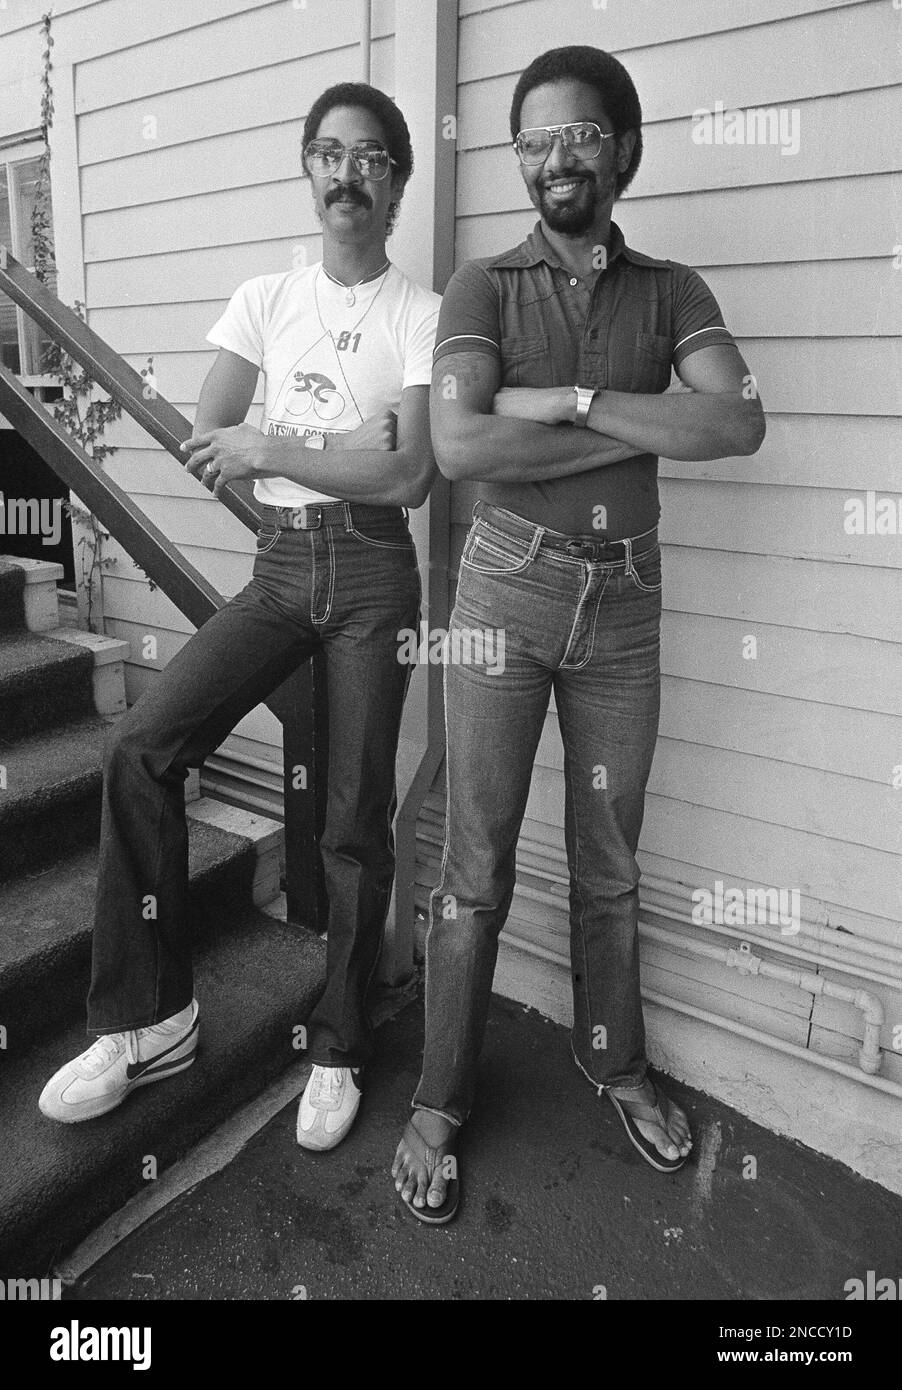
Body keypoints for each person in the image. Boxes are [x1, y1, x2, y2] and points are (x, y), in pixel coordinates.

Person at [392, 45, 765, 1223]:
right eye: (534, 141)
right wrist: (649, 424)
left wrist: (571, 402)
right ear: (517, 160)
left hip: (625, 600)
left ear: (623, 149)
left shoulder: (671, 290)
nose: (556, 158)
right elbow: (458, 450)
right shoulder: (479, 287)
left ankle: (611, 1060)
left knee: (608, 861)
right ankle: (439, 1097)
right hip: (503, 590)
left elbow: (738, 423)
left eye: (581, 135)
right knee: (474, 860)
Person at [40, 83, 440, 1155]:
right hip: (278, 566)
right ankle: (149, 1017)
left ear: (395, 179)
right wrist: (327, 440)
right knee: (142, 745)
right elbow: (211, 430)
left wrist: (282, 446)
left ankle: (342, 1041)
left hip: (369, 572)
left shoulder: (422, 314)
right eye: (325, 153)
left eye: (366, 156)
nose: (343, 172)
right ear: (307, 172)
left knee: (352, 816)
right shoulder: (266, 295)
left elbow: (403, 473)